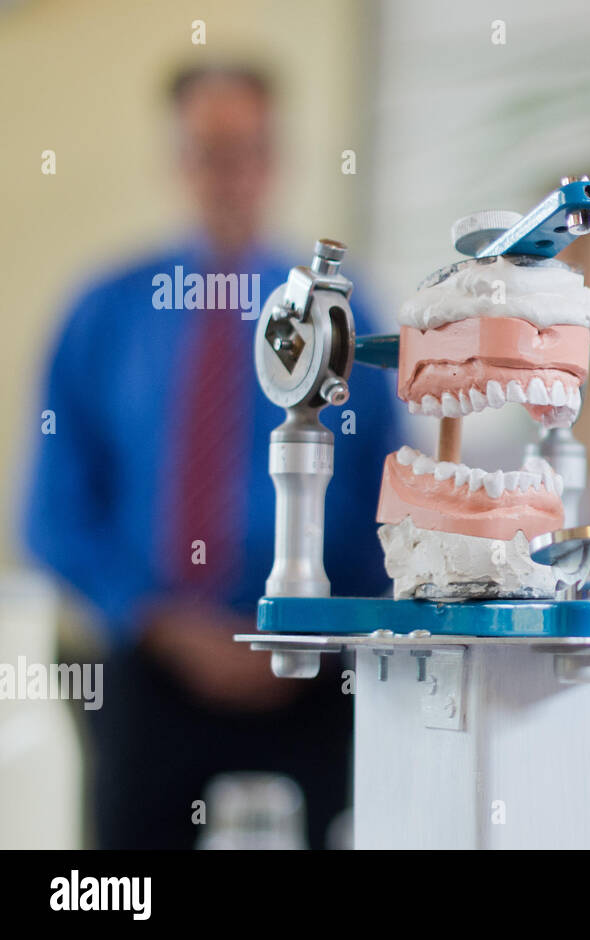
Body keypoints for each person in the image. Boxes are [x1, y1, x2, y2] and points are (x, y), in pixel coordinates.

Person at [22, 63, 397, 849]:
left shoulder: (343, 318)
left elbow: (386, 508)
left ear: (277, 159)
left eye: (250, 149)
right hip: (148, 674)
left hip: (307, 681)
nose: (231, 174)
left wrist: (309, 634)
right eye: (208, 150)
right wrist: (166, 626)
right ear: (176, 160)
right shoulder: (103, 314)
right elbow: (53, 514)